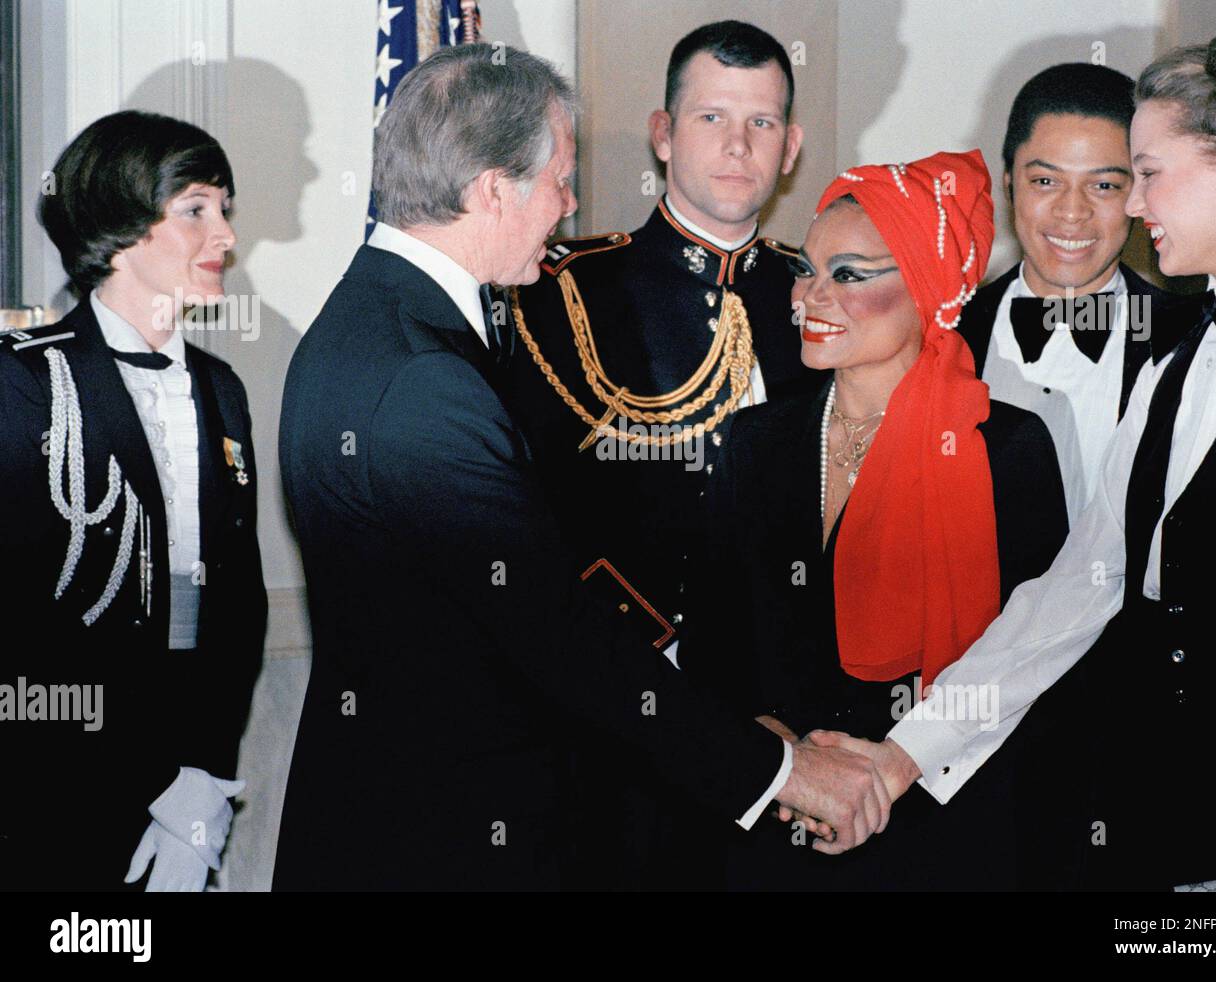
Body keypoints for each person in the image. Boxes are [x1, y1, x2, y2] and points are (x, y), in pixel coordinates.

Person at [273, 43, 889, 892]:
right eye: (560, 181)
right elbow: (555, 632)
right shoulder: (424, 378)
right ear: (493, 188)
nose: (568, 206)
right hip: (444, 833)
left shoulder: (367, 325)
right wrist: (780, 773)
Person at [833, 35, 1216, 891]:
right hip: (1137, 830)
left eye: (1138, 175)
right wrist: (902, 756)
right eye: (1048, 179)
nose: (1114, 207)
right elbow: (1083, 583)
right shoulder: (1184, 364)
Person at [682, 151, 1068, 889]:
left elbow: (1031, 672)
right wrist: (779, 754)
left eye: (850, 274)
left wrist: (886, 777)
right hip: (777, 824)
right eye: (806, 268)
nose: (808, 296)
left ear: (924, 287)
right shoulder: (757, 440)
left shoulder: (1006, 449)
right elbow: (711, 645)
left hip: (939, 839)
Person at [505, 20, 819, 888]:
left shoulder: (819, 291)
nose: (737, 144)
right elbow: (534, 512)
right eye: (712, 117)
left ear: (790, 147)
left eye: (761, 123)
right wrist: (665, 664)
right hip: (626, 705)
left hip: (797, 717)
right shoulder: (562, 289)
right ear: (663, 132)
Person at [0, 111, 267, 891]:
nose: (224, 235)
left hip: (193, 784)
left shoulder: (221, 390)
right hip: (58, 784)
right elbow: (24, 626)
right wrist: (162, 783)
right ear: (119, 228)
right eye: (195, 210)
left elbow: (237, 612)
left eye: (226, 208)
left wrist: (206, 788)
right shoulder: (25, 381)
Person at [958, 63, 1196, 524]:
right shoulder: (943, 333)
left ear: (1139, 194)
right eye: (1046, 181)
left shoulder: (1190, 339)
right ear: (1008, 183)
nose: (1072, 212)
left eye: (1104, 185)